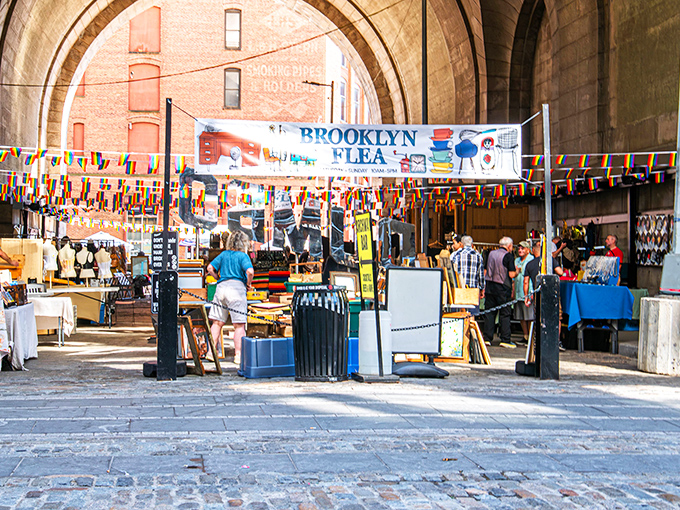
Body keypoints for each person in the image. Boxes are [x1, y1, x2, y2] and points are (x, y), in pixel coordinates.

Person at [206, 230, 254, 365]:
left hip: (221, 288)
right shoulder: (243, 256)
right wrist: (248, 283)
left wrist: (218, 278)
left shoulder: (224, 254)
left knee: (217, 322)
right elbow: (250, 271)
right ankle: (238, 355)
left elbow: (210, 268)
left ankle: (211, 352)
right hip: (237, 289)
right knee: (239, 325)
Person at [524, 240, 565, 351]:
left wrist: (526, 296)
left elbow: (526, 282)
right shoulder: (550, 261)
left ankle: (539, 340)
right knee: (557, 317)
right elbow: (560, 272)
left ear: (533, 252)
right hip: (552, 292)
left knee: (539, 317)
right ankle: (556, 341)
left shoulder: (529, 264)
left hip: (538, 293)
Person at [483, 237, 516, 348]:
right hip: (503, 287)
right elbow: (511, 274)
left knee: (489, 313)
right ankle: (505, 339)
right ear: (509, 246)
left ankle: (487, 338)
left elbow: (485, 270)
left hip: (490, 285)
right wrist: (518, 271)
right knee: (505, 313)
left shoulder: (491, 253)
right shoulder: (508, 256)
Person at [451, 235, 485, 315]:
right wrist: (482, 288)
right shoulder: (478, 256)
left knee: (459, 314)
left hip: (459, 289)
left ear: (461, 244)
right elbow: (481, 275)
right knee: (472, 314)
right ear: (472, 245)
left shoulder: (455, 255)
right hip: (473, 290)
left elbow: (452, 273)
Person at [513, 241, 534, 345]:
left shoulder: (531, 260)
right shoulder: (516, 260)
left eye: (523, 248)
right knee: (520, 315)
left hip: (527, 291)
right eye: (519, 248)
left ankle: (531, 337)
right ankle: (525, 335)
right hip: (518, 291)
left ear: (528, 250)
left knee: (529, 316)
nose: (520, 250)